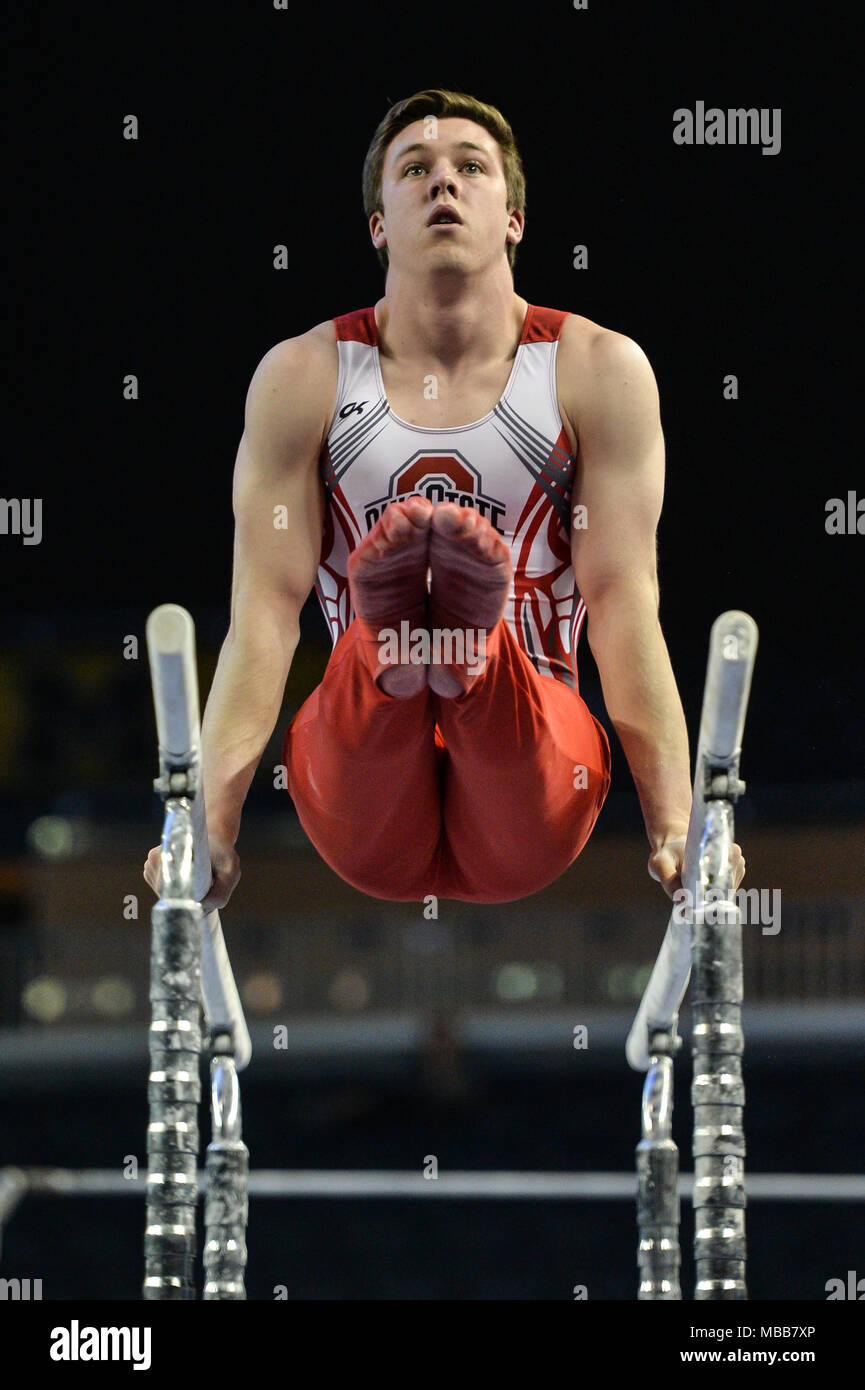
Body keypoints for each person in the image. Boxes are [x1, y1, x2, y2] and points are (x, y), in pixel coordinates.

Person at [144, 88, 744, 910]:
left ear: (514, 218)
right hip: (362, 797)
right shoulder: (302, 375)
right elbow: (263, 617)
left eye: (470, 167)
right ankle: (407, 644)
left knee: (500, 699)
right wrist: (207, 828)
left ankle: (465, 650)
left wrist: (677, 825)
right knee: (356, 683)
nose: (443, 183)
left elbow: (622, 607)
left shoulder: (596, 369)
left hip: (535, 781)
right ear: (378, 225)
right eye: (415, 169)